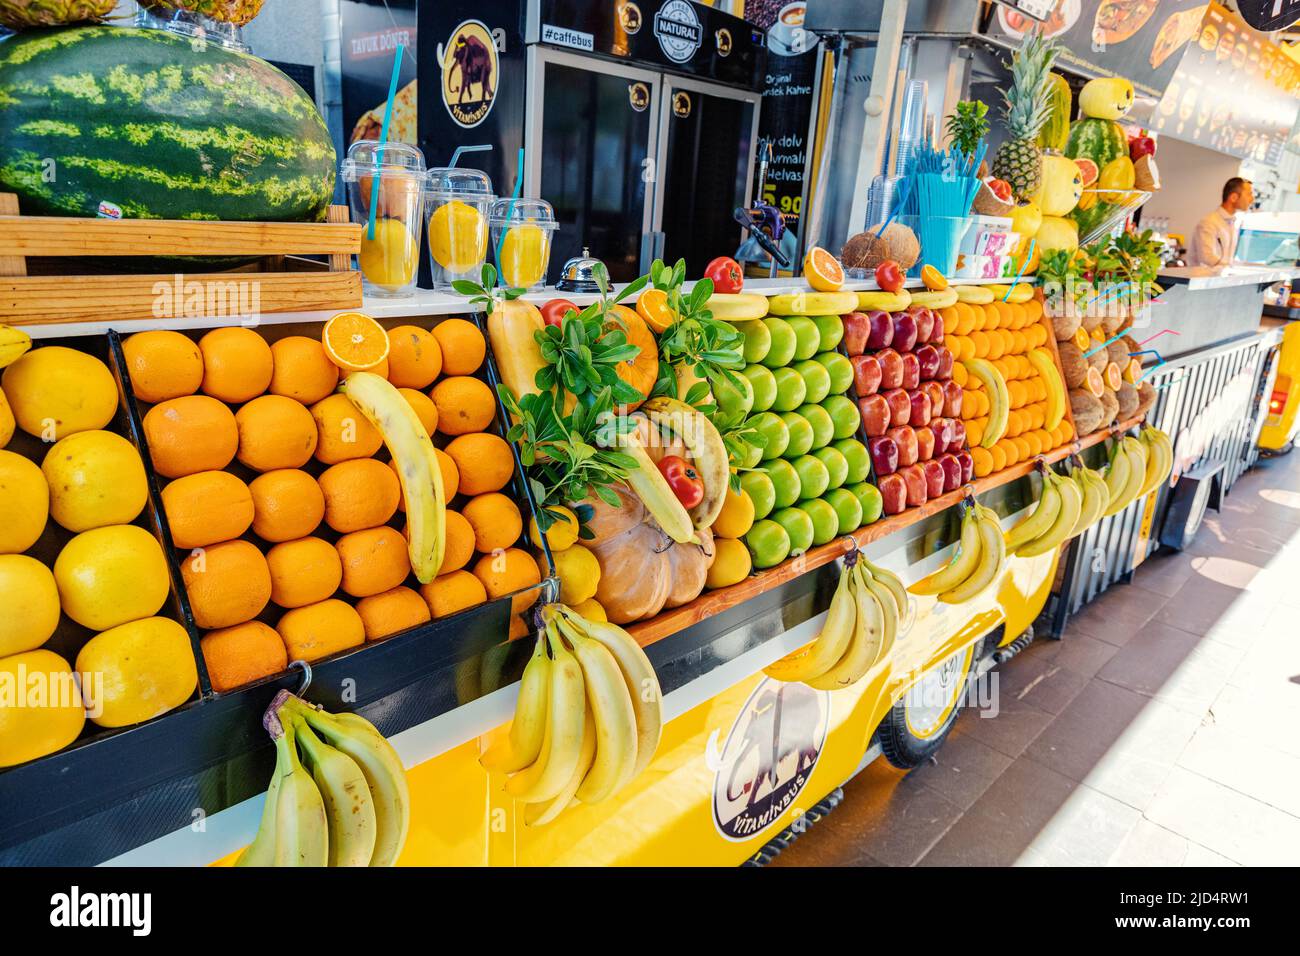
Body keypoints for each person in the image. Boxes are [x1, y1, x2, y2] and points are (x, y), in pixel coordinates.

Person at [1188, 177, 1253, 267]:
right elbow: (1207, 257)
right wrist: (1230, 270)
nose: (1252, 199)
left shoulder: (1233, 223)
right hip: (1204, 278)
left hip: (1221, 278)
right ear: (1233, 197)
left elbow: (1228, 258)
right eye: (1249, 194)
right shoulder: (1209, 222)